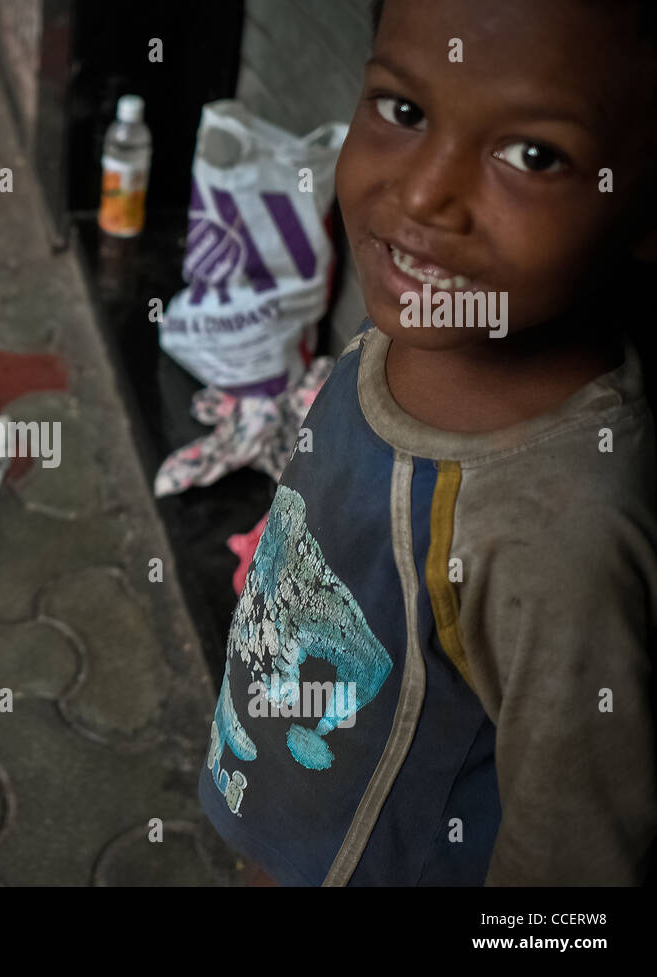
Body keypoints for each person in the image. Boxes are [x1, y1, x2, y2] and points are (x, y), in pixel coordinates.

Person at [200, 0, 657, 883]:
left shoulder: (561, 535)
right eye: (404, 112)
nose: (421, 194)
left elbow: (570, 860)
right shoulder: (414, 329)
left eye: (532, 155)